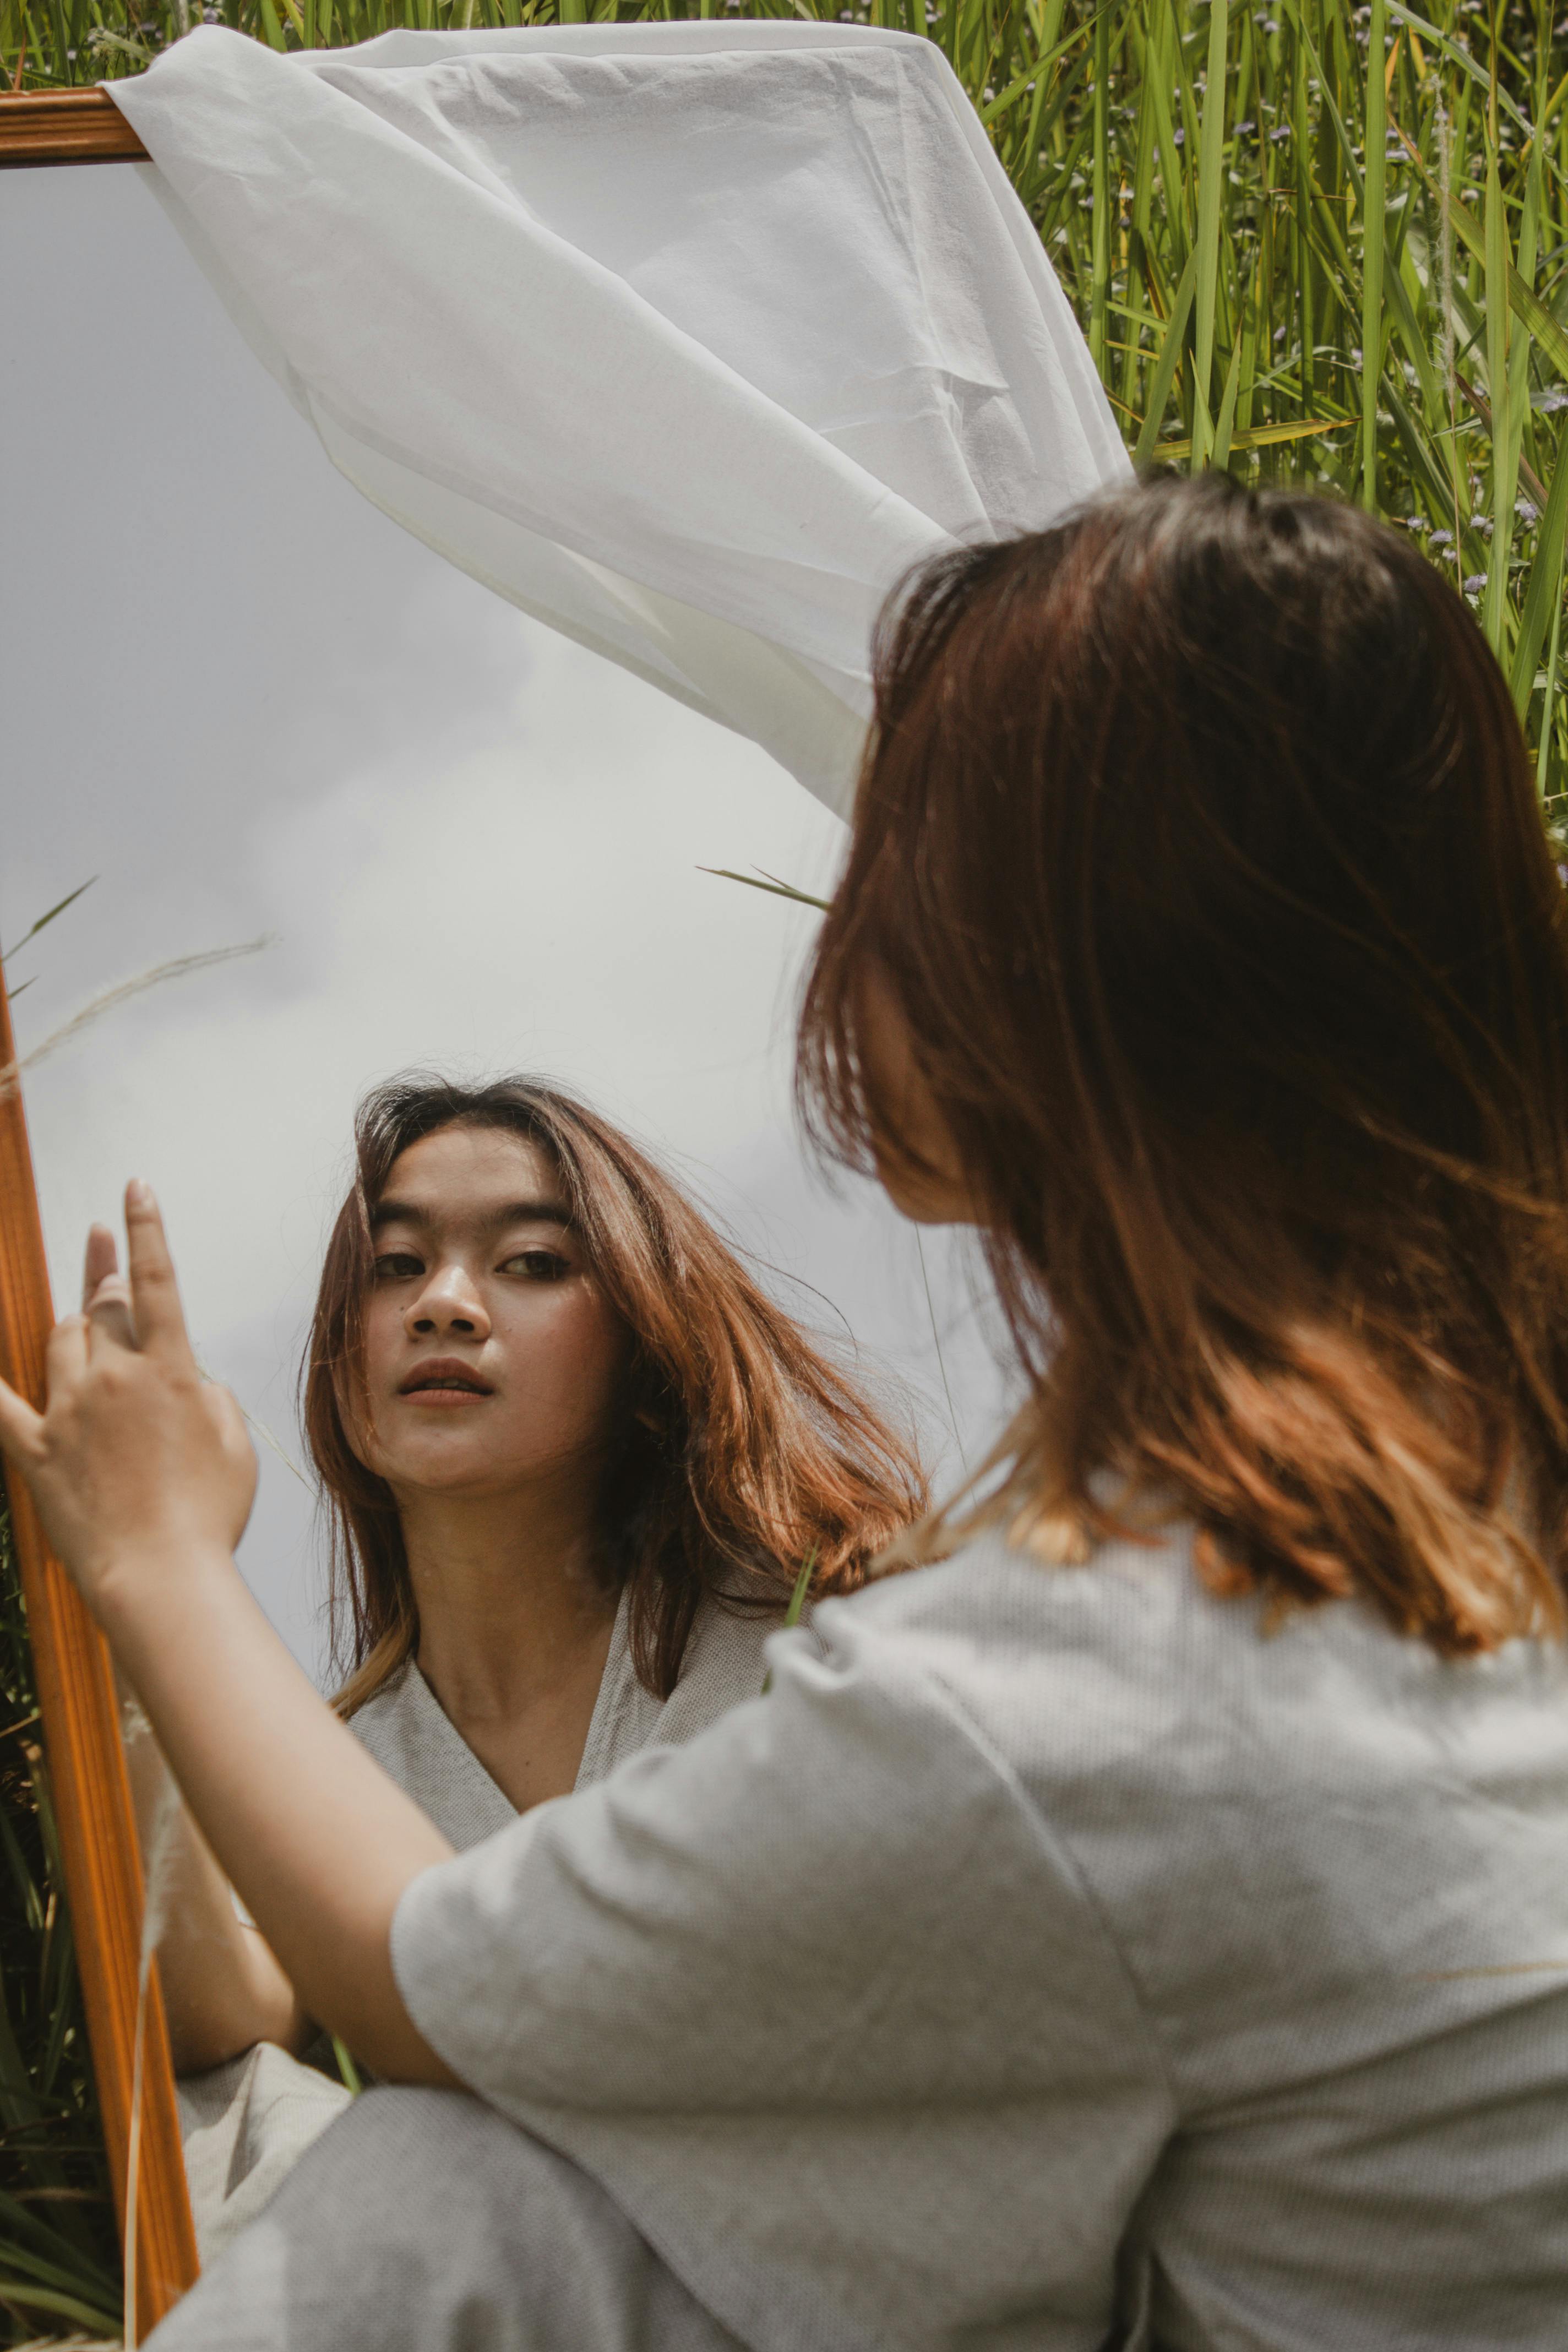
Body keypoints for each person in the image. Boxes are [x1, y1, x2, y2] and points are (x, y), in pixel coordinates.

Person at [8, 471, 1568, 2350]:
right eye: (396, 1260)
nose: (444, 1304)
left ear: (1033, 969)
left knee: (452, 2187)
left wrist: (165, 1562)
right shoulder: (1450, 1511)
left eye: (892, 848)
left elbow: (424, 1999)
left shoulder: (1030, 1688)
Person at [125, 1074, 927, 2256]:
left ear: (644, 1333)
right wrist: (132, 1576)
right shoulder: (333, 1766)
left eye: (534, 1263)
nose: (444, 1306)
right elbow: (215, 2013)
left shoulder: (825, 1630)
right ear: (338, 1361)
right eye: (395, 1267)